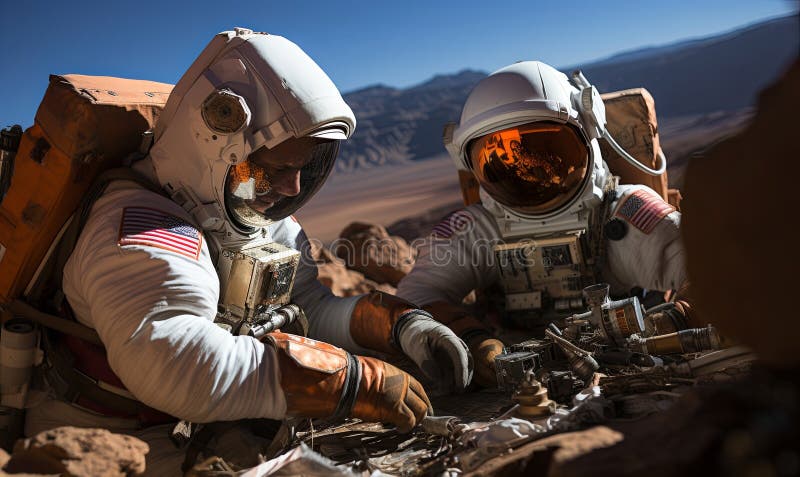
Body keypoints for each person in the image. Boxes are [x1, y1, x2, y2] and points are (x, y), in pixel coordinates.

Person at [25, 28, 471, 474]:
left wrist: (399, 326)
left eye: (302, 169)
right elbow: (176, 364)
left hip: (192, 425)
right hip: (107, 438)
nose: (291, 188)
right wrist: (351, 381)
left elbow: (308, 309)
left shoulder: (253, 215)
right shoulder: (142, 226)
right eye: (273, 169)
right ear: (214, 148)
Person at [396, 60, 700, 388]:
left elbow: (718, 267)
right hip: (517, 379)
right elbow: (413, 301)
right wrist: (476, 341)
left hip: (633, 363)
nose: (529, 176)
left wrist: (675, 318)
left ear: (589, 130)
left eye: (549, 152)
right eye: (500, 162)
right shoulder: (476, 229)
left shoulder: (626, 212)